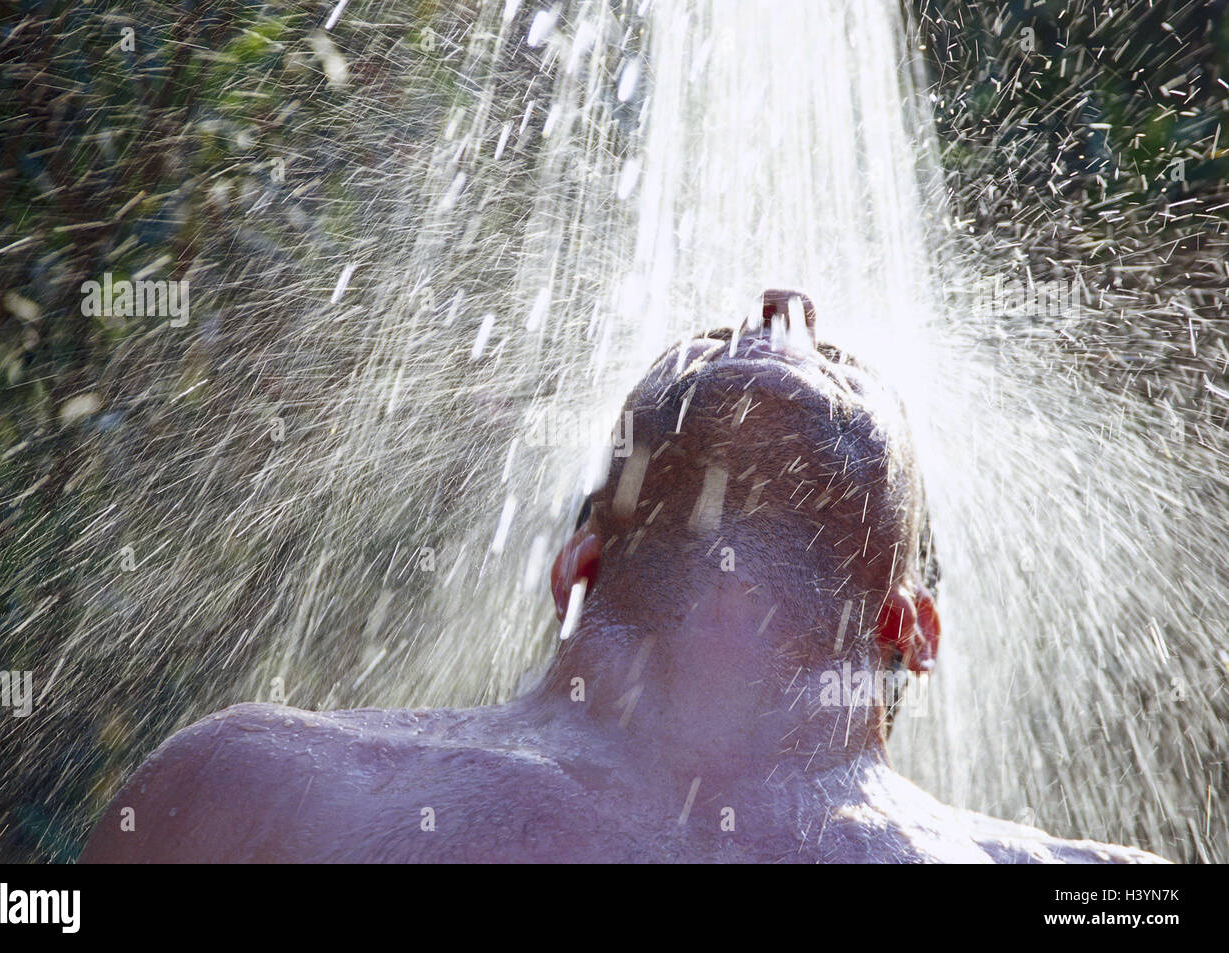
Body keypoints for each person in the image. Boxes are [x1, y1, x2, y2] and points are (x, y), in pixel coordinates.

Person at [81, 290, 1166, 863]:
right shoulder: (250, 792)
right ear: (578, 562)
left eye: (840, 360)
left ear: (910, 625)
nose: (780, 308)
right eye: (715, 330)